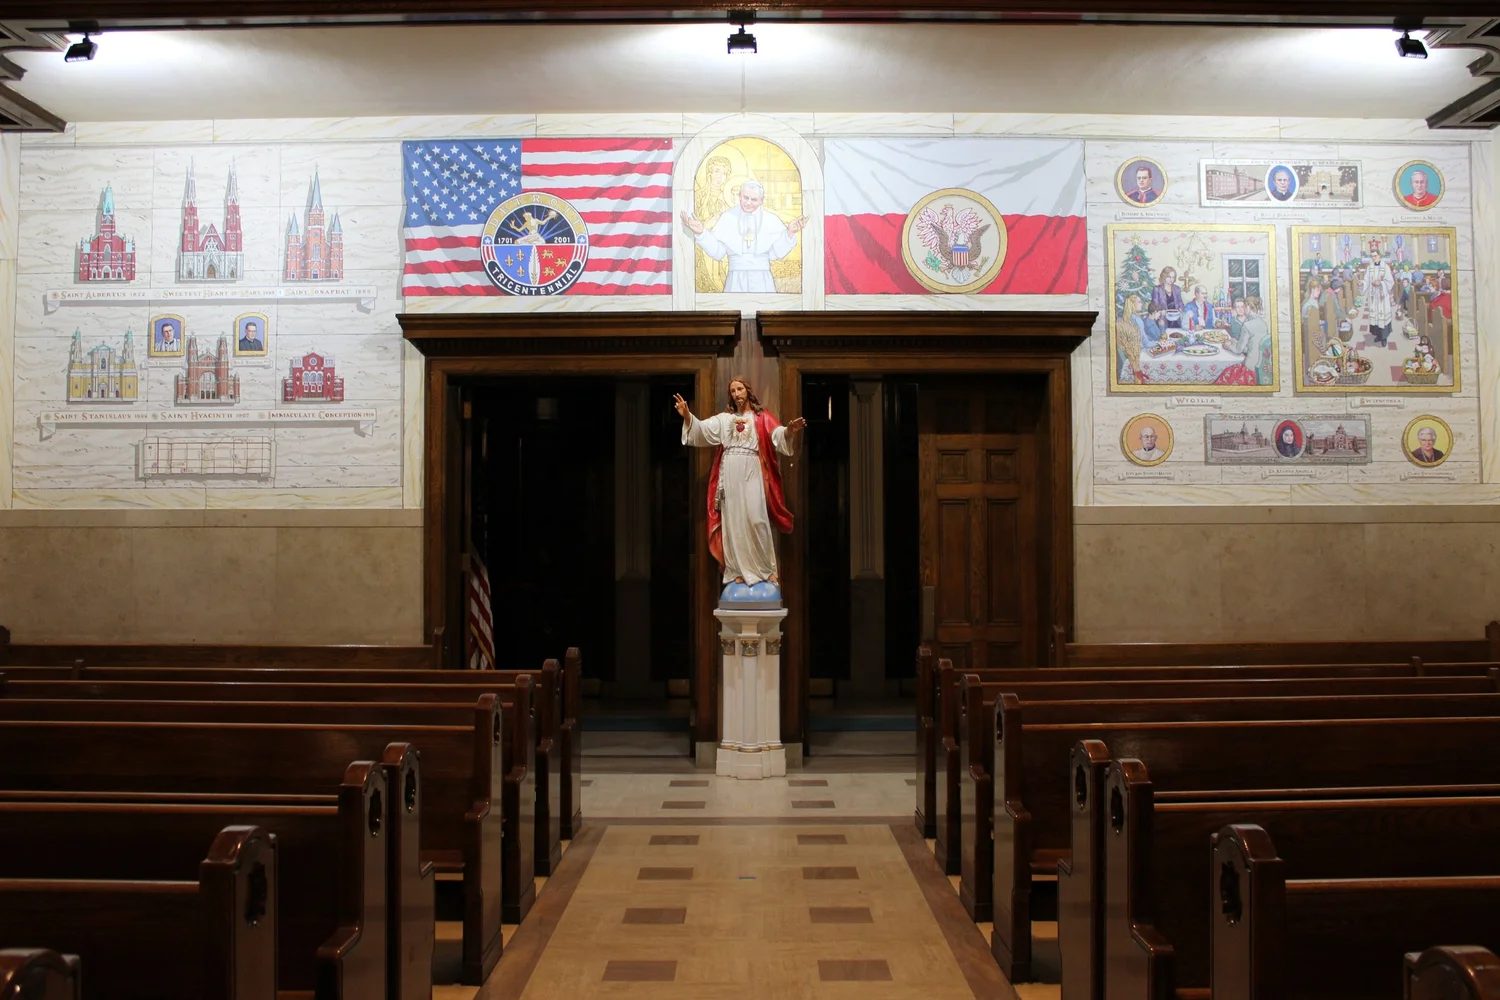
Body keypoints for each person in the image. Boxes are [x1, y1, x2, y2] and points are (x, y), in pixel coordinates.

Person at [676, 377, 806, 588]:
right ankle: (735, 570)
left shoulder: (761, 418)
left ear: (748, 390)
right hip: (730, 472)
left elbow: (777, 435)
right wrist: (688, 416)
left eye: (740, 388)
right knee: (733, 521)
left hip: (752, 469)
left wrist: (789, 430)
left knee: (757, 519)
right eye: (733, 390)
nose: (737, 393)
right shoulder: (725, 420)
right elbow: (701, 429)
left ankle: (766, 569)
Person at [681, 180, 808, 293]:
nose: (748, 202)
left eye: (754, 199)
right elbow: (718, 252)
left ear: (761, 200)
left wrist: (790, 233)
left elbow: (776, 253)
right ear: (739, 197)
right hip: (735, 280)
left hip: (763, 280)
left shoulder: (771, 220)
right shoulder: (727, 217)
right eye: (745, 197)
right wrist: (702, 233)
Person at [1361, 245, 1397, 347]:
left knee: (1382, 316)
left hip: (1382, 296)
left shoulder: (1385, 267)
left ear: (1379, 256)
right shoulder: (1370, 267)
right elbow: (1367, 280)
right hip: (1373, 296)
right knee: (1375, 316)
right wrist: (1362, 283)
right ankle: (1378, 335)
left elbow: (1390, 281)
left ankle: (1384, 337)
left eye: (1375, 256)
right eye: (1372, 256)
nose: (1374, 258)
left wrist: (1380, 283)